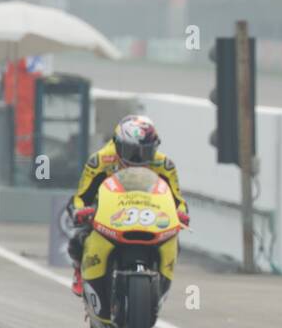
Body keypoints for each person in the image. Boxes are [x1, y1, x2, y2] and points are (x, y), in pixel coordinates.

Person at [64, 114, 189, 295]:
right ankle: (78, 271)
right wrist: (80, 210)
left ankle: (161, 279)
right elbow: (81, 195)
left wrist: (181, 214)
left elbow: (178, 200)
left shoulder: (165, 165)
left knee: (174, 243)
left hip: (150, 214)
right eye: (131, 151)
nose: (137, 159)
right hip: (108, 212)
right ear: (117, 144)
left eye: (145, 152)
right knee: (78, 238)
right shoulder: (100, 161)